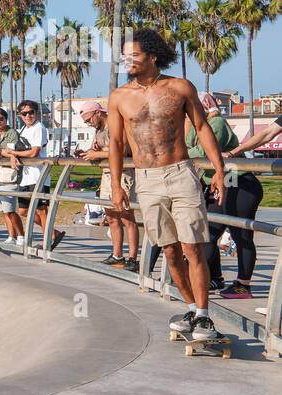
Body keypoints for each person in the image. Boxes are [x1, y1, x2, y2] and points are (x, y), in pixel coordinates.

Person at [108, 28, 225, 340]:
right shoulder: (119, 97)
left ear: (152, 57)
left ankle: (203, 315)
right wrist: (117, 185)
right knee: (170, 250)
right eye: (125, 57)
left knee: (192, 246)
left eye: (133, 56)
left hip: (181, 173)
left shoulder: (180, 88)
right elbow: (116, 145)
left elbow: (201, 127)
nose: (127, 61)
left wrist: (219, 171)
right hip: (147, 180)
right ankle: (189, 307)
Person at [190, 93, 259, 298]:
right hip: (222, 184)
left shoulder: (217, 123)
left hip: (240, 183)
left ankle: (242, 284)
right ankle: (201, 280)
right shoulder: (195, 126)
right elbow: (186, 148)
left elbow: (202, 150)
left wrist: (183, 150)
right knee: (209, 234)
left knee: (241, 235)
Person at [78, 101, 138, 271]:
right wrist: (90, 151)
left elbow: (123, 150)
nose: (88, 124)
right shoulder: (98, 129)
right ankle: (117, 254)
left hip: (123, 173)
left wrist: (96, 153)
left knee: (127, 216)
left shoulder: (116, 123)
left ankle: (133, 258)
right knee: (111, 216)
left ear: (98, 113)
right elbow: (99, 149)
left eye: (88, 119)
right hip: (106, 174)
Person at [10, 101, 64, 248]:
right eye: (24, 113)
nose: (28, 115)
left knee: (41, 210)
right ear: (20, 115)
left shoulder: (39, 128)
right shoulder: (23, 129)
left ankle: (49, 239)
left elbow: (34, 152)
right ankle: (53, 233)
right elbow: (18, 149)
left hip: (38, 175)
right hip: (25, 177)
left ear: (36, 113)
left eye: (31, 112)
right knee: (23, 210)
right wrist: (13, 155)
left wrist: (13, 153)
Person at [0, 107, 26, 246]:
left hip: (10, 176)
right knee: (4, 211)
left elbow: (12, 151)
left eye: (1, 119)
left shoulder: (12, 133)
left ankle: (21, 235)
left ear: (6, 119)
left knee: (10, 210)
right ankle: (11, 236)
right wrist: (0, 152)